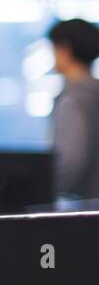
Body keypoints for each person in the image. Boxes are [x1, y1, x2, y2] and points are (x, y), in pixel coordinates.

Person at [47, 18, 99, 200]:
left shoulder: (73, 100)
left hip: (82, 209)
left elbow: (71, 161)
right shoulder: (94, 93)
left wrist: (45, 192)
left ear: (64, 49)